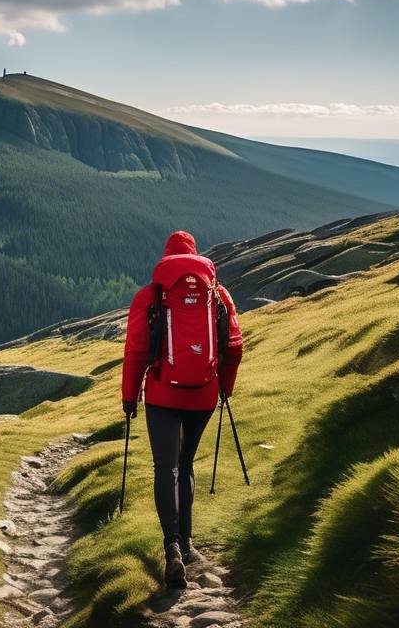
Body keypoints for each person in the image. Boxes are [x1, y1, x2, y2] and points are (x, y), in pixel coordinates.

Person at [121, 230, 243, 589]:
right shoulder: (217, 294)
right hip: (203, 394)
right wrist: (224, 387)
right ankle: (188, 545)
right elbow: (234, 347)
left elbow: (137, 353)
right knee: (186, 463)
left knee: (166, 466)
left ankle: (172, 547)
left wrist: (130, 397)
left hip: (162, 395)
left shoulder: (150, 296)